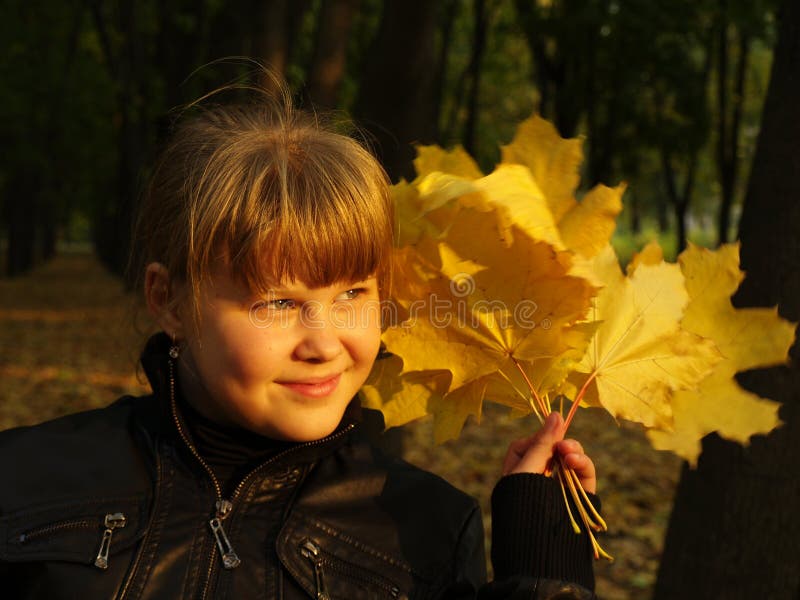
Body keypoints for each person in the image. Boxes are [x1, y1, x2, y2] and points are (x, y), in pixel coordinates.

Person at [0, 82, 600, 599]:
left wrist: (544, 561)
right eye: (279, 302)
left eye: (352, 295)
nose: (324, 344)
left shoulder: (428, 530)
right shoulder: (28, 478)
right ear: (169, 301)